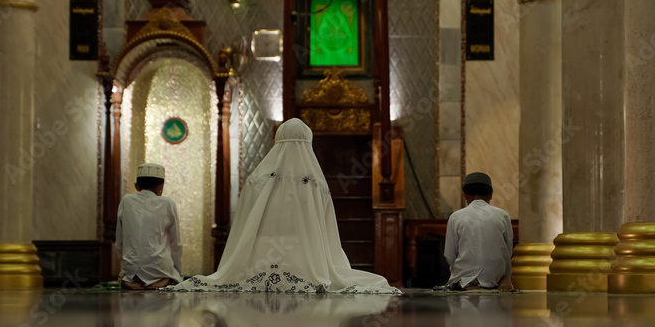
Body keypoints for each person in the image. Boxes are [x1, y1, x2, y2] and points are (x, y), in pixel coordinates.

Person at [166, 118, 400, 294]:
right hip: (306, 257)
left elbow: (242, 226)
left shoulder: (255, 180)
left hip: (255, 260)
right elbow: (324, 231)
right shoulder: (315, 183)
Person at [115, 163, 183, 290]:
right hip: (159, 267)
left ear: (137, 186)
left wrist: (126, 266)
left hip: (131, 268)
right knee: (171, 272)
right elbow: (176, 244)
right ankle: (165, 279)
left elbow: (119, 242)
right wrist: (178, 272)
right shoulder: (167, 203)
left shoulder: (126, 201)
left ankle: (131, 280)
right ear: (161, 187)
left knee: (127, 272)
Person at [442, 172, 514, 291]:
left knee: (458, 278)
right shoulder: (503, 215)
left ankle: (466, 285)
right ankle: (502, 280)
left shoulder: (456, 217)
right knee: (501, 272)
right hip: (495, 276)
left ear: (464, 195)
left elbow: (449, 255)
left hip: (465, 276)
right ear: (491, 194)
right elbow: (508, 250)